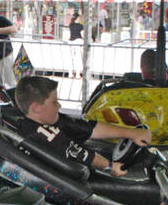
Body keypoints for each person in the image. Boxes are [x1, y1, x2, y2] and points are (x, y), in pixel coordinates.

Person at [12, 75, 148, 177]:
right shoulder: (42, 133)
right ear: (36, 108)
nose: (59, 106)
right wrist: (111, 167)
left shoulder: (49, 121)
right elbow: (81, 154)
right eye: (54, 102)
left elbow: (90, 128)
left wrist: (131, 133)